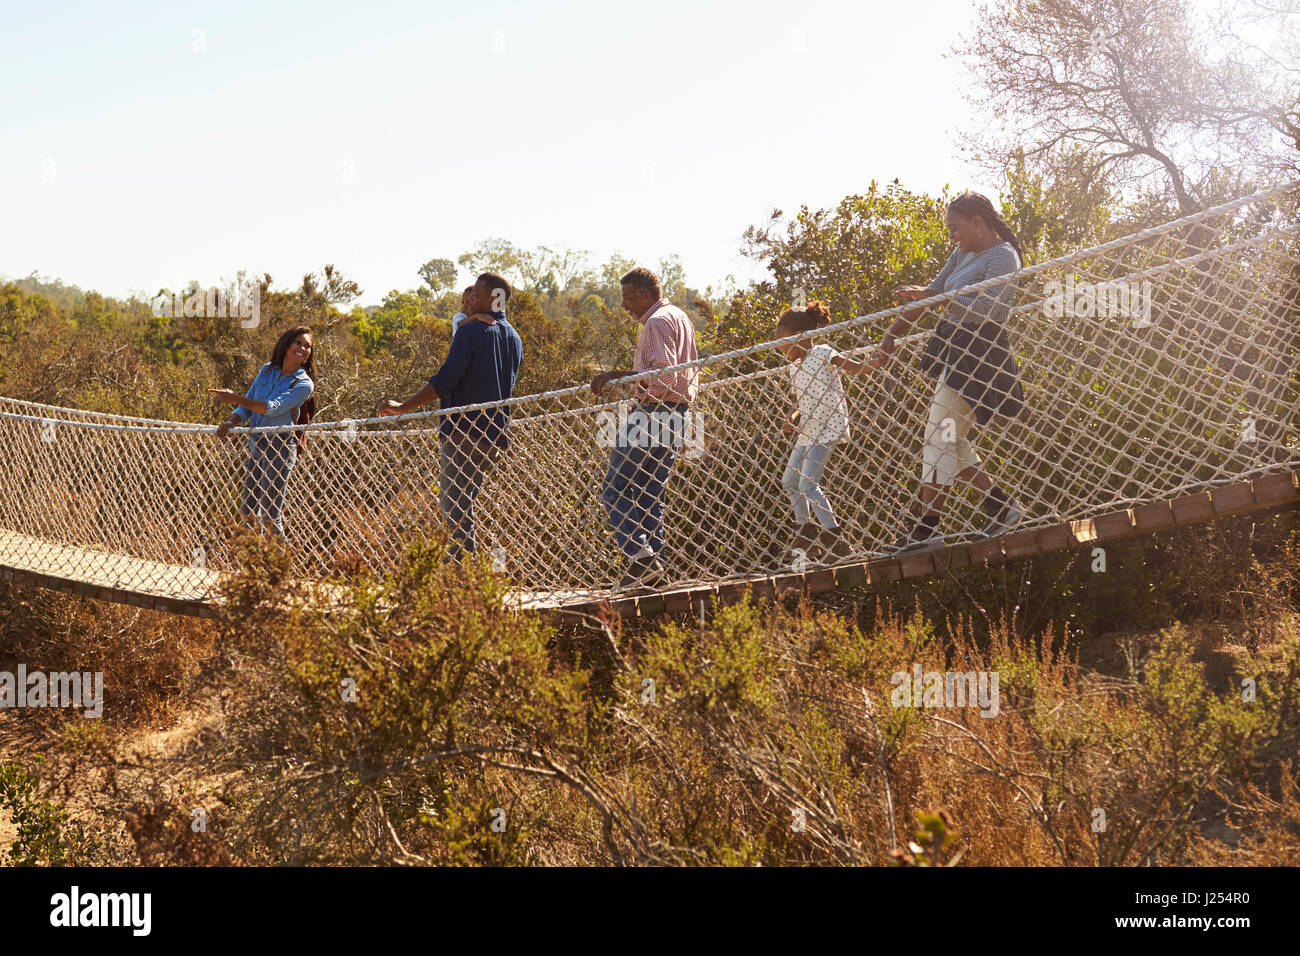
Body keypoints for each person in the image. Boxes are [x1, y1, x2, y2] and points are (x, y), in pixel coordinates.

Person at [870, 192, 1027, 553]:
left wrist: (939, 299)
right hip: (955, 352)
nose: (952, 236)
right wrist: (891, 336)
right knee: (950, 439)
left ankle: (928, 530)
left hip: (982, 354)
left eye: (956, 228)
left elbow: (990, 311)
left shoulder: (1004, 256)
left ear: (978, 222)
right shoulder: (961, 255)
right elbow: (930, 294)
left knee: (938, 437)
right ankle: (1000, 506)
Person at [376, 272, 523, 562]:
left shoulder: (471, 332)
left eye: (477, 296)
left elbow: (446, 380)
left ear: (494, 298)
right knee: (463, 503)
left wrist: (404, 406)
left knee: (453, 507)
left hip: (464, 431)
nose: (471, 301)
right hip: (495, 433)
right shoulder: (514, 337)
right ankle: (468, 572)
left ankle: (458, 577)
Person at [591, 267, 699, 587]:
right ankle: (656, 571)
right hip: (678, 413)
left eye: (628, 298)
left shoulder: (655, 322)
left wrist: (618, 376)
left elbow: (663, 375)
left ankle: (640, 557)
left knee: (615, 488)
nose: (624, 305)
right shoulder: (679, 316)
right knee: (650, 493)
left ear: (646, 296)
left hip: (652, 413)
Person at [774, 300, 872, 566]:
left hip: (827, 428)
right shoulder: (794, 367)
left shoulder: (823, 353)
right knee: (790, 482)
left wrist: (872, 364)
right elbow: (799, 400)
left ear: (796, 337)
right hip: (807, 431)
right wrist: (792, 416)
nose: (778, 348)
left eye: (780, 342)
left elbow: (850, 366)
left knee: (808, 483)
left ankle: (836, 539)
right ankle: (805, 530)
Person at [211, 326, 317, 536]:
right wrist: (231, 422)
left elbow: (271, 407)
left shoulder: (304, 384)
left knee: (270, 514)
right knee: (248, 511)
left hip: (280, 448)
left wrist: (234, 397)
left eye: (308, 346)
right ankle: (251, 564)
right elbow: (246, 407)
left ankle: (279, 566)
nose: (302, 348)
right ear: (286, 344)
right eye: (298, 342)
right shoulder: (267, 370)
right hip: (257, 444)